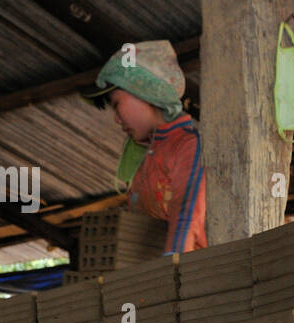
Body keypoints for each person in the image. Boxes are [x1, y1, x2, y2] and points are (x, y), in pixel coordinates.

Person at [82, 40, 206, 254]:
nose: (117, 120)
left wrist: (172, 266)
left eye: (116, 105)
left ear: (144, 91)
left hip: (189, 275)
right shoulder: (149, 155)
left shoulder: (186, 145)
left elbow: (186, 209)